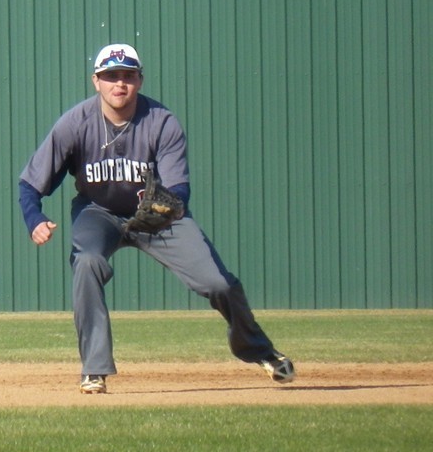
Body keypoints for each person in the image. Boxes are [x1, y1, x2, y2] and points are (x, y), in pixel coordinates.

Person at [18, 42, 296, 394]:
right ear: (96, 81)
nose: (120, 83)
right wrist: (34, 218)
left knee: (218, 284)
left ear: (140, 80)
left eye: (128, 76)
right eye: (111, 76)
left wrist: (167, 206)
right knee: (87, 262)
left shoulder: (161, 122)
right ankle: (94, 369)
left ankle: (260, 350)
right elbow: (30, 183)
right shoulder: (75, 123)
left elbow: (179, 187)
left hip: (158, 219)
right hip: (98, 213)